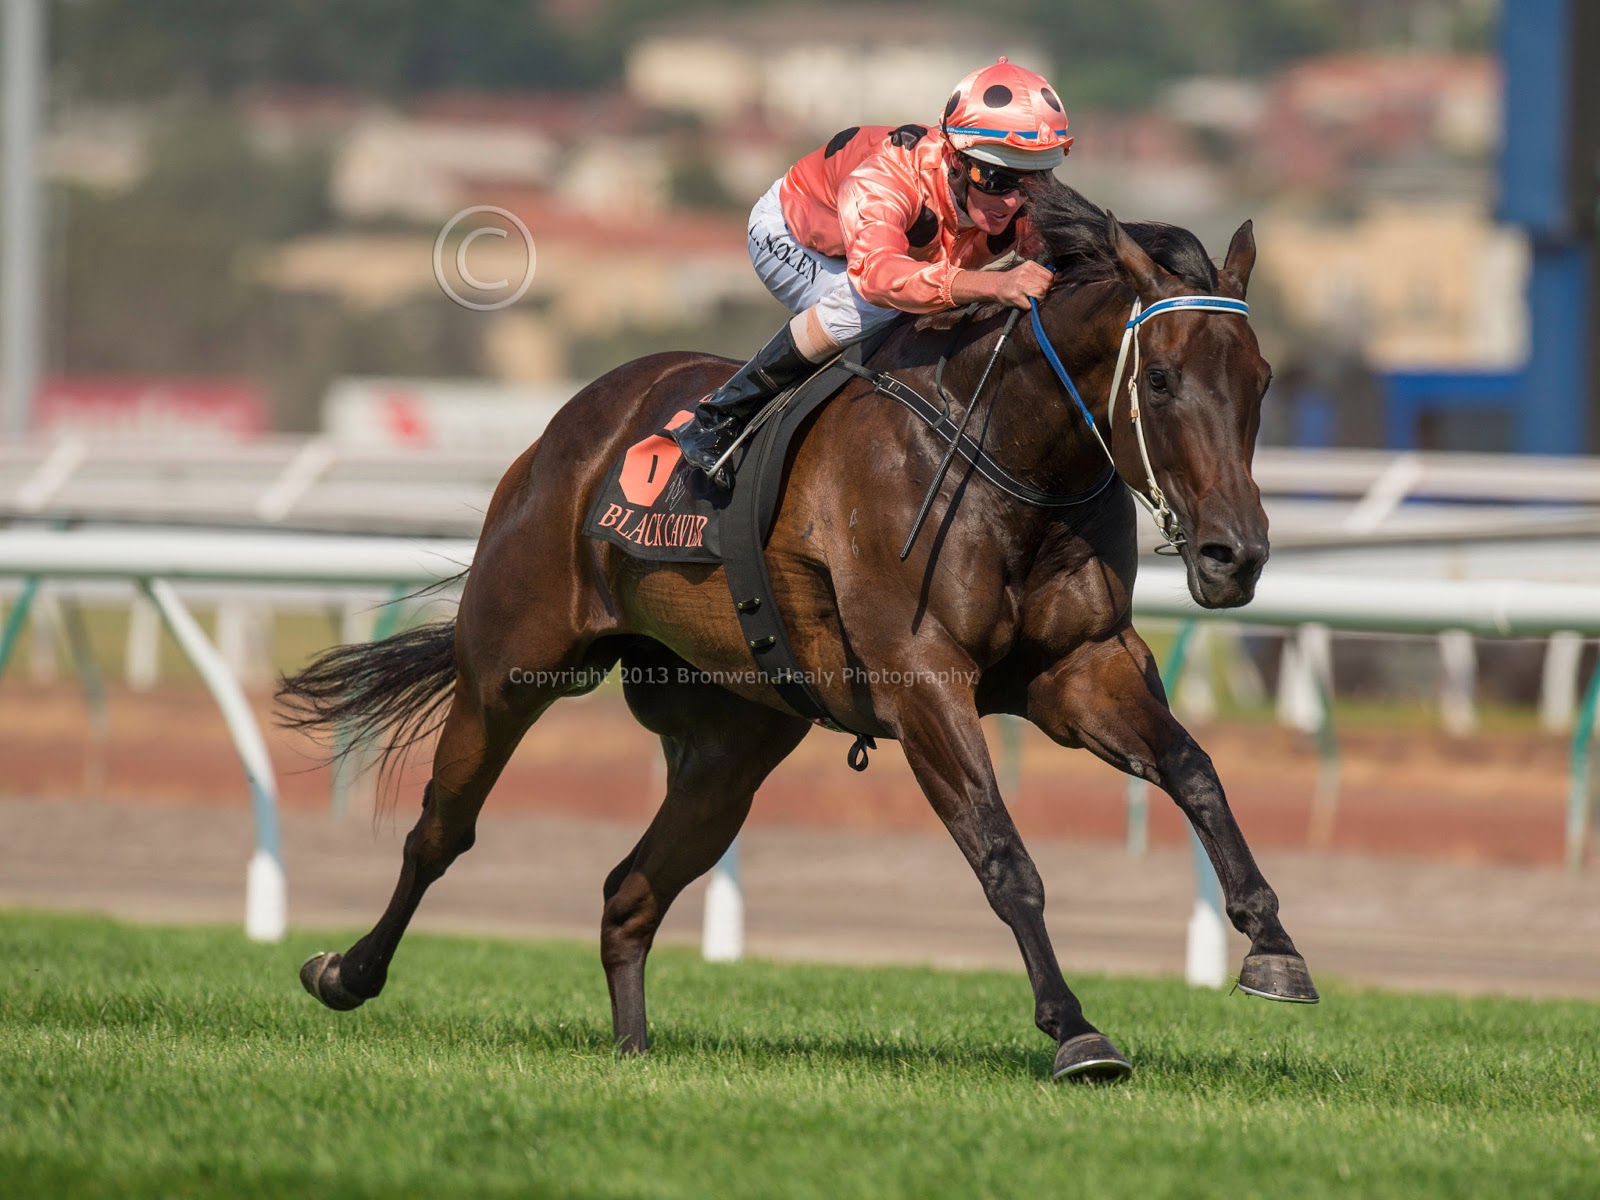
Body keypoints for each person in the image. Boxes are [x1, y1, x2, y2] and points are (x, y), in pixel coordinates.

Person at [671, 55, 1072, 485]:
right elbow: (878, 277)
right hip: (793, 235)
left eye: (1031, 181)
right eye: (994, 178)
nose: (1012, 201)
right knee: (877, 310)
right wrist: (994, 283)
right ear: (956, 159)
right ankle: (721, 414)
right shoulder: (886, 176)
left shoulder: (1014, 198)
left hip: (888, 254)